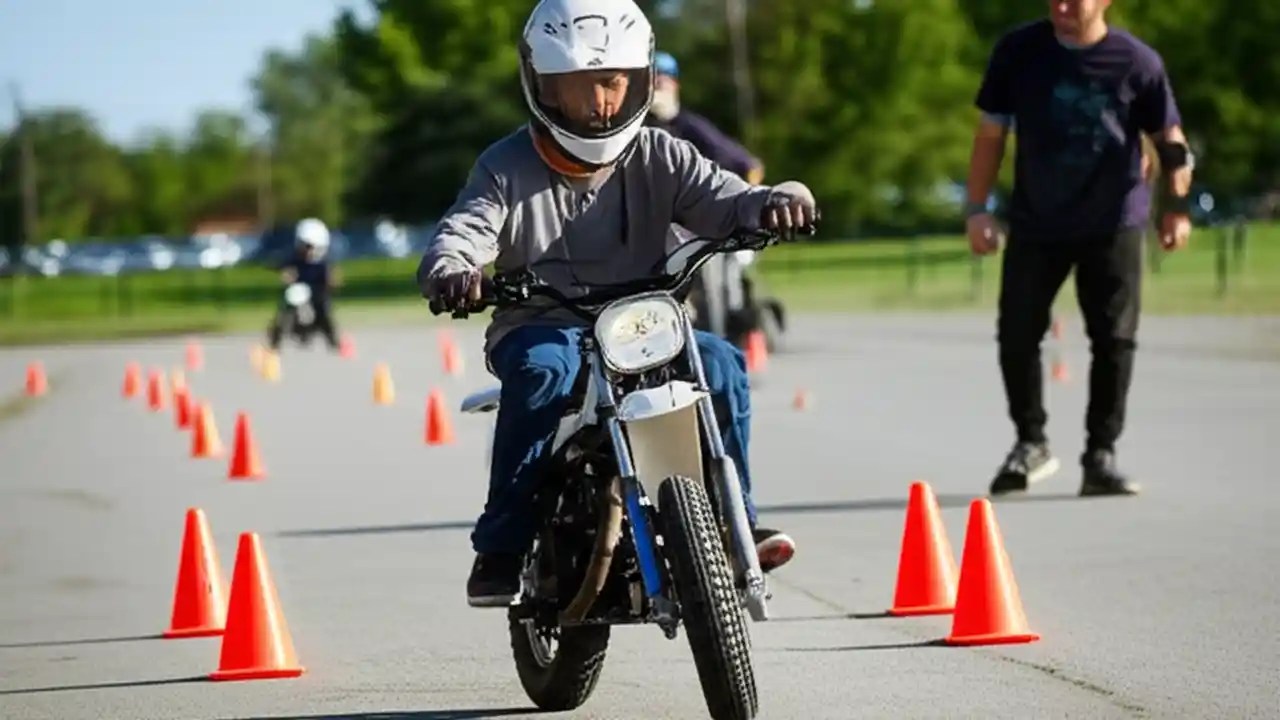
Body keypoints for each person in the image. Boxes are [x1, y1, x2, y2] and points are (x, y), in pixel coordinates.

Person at [417, 0, 816, 607]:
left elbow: (731, 199)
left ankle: (736, 524)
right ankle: (500, 546)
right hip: (543, 322)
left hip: (647, 322)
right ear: (540, 86)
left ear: (641, 81)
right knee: (544, 374)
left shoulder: (663, 153)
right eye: (576, 87)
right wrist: (454, 268)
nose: (598, 102)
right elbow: (466, 228)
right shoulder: (504, 165)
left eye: (611, 83)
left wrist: (779, 198)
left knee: (724, 366)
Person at [964, 0, 1195, 497]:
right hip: (1036, 219)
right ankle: (1031, 442)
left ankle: (1101, 455)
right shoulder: (1019, 51)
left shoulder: (1137, 62)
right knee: (1017, 334)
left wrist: (1176, 206)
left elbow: (1169, 138)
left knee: (1114, 339)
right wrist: (977, 209)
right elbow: (989, 135)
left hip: (1113, 220)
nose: (1063, 6)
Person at [268, 217, 343, 352]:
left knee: (324, 311)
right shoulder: (295, 259)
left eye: (310, 247)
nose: (307, 251)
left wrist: (331, 283)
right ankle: (275, 341)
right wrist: (287, 275)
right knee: (284, 312)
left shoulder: (323, 263)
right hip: (298, 292)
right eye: (305, 246)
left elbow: (332, 278)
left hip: (317, 293)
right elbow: (283, 268)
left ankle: (333, 341)